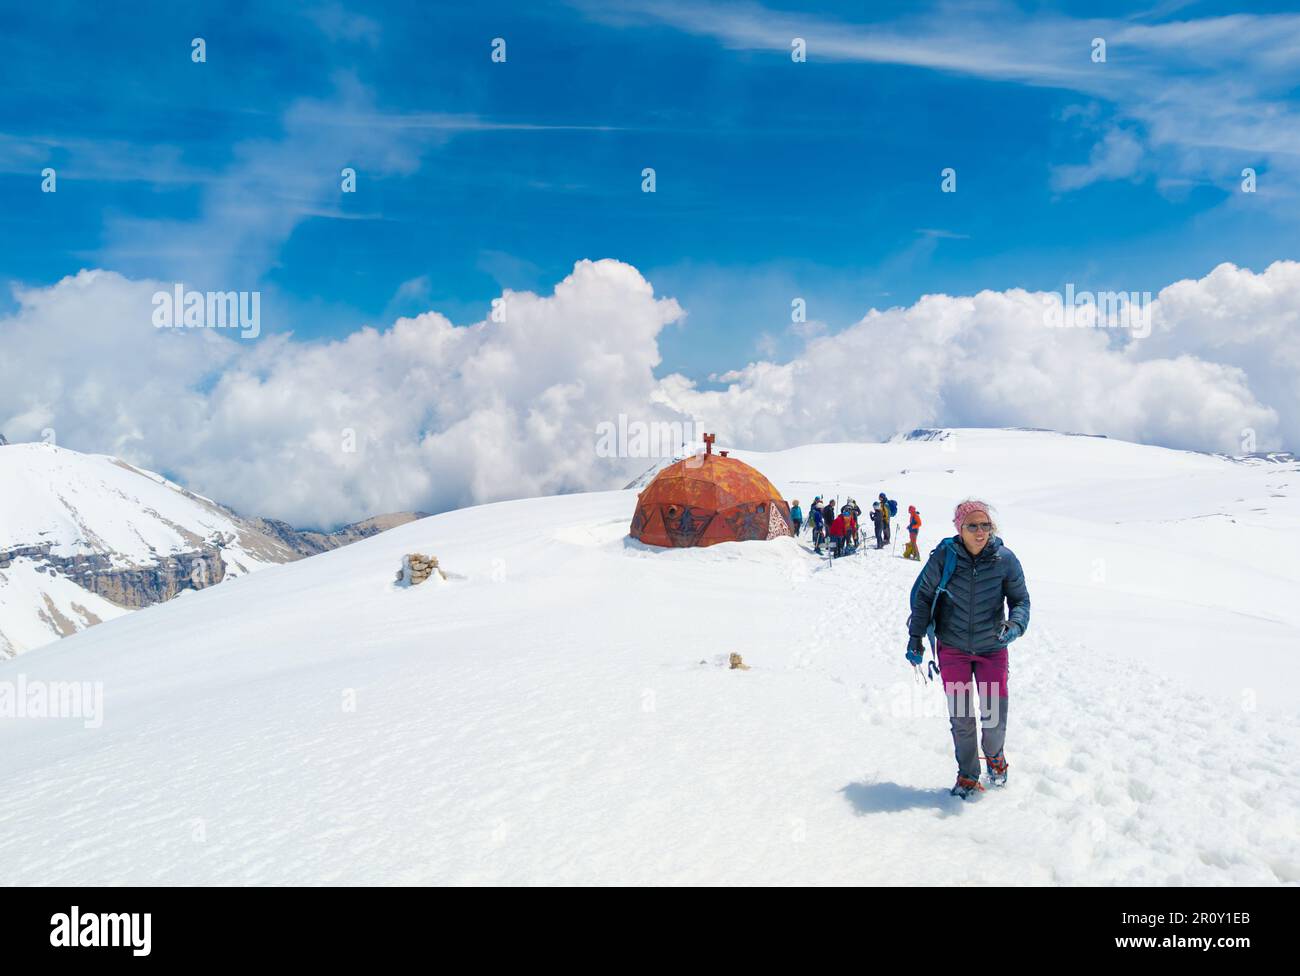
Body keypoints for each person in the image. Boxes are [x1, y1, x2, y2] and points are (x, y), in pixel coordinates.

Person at [905, 498, 1031, 799]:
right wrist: (915, 638)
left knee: (994, 716)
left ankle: (995, 756)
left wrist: (1014, 626)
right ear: (959, 528)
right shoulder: (943, 558)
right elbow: (923, 598)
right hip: (953, 648)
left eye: (985, 525)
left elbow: (1021, 601)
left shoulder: (1005, 560)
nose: (979, 532)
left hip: (992, 648)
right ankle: (968, 775)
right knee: (961, 718)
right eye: (972, 525)